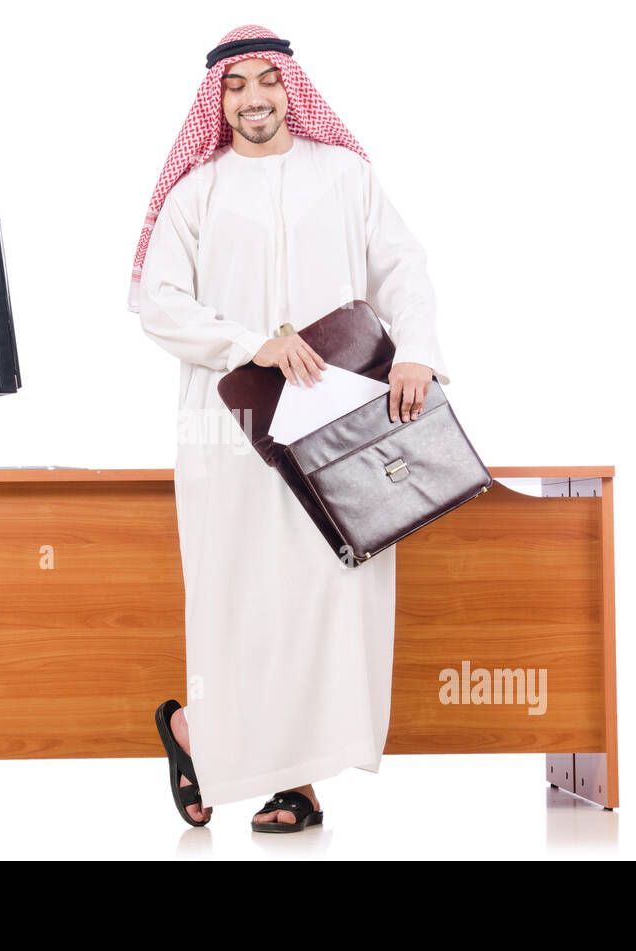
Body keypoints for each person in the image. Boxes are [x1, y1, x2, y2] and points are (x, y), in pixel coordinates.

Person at [132, 25, 452, 831]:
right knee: (241, 601)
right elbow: (157, 300)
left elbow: (403, 269)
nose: (252, 100)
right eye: (234, 87)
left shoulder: (343, 176)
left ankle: (293, 782)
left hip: (339, 427)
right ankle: (199, 731)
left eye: (264, 82)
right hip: (230, 436)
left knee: (325, 598)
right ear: (218, 100)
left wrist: (416, 351)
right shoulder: (195, 192)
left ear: (289, 87)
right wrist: (251, 344)